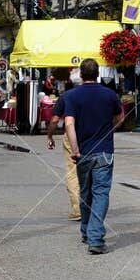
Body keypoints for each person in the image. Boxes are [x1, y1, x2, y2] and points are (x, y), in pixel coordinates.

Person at [63, 58, 129, 255]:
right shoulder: (109, 95)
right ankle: (95, 238)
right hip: (104, 151)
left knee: (85, 193)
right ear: (98, 74)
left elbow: (68, 124)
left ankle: (88, 232)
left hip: (83, 151)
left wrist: (75, 149)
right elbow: (120, 118)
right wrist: (109, 130)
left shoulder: (71, 96)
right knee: (101, 194)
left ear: (81, 74)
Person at [49, 80, 80, 221]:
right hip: (93, 135)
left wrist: (50, 135)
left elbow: (55, 119)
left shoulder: (67, 96)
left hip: (72, 135)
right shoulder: (103, 93)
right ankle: (93, 207)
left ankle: (78, 210)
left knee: (73, 172)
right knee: (93, 171)